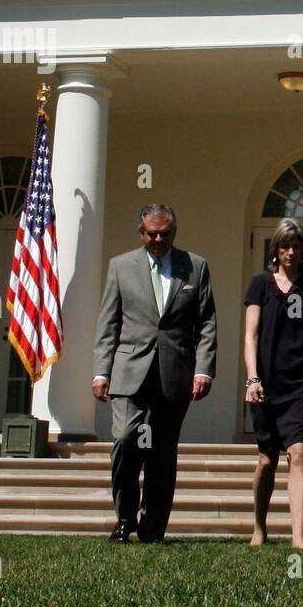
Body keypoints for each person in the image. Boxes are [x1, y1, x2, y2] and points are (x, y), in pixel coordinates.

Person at [93, 203, 217, 543]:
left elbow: (206, 323)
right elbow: (109, 323)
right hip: (129, 371)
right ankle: (124, 517)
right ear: (141, 233)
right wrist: (101, 371)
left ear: (174, 232)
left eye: (164, 233)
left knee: (162, 451)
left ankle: (152, 528)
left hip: (174, 372)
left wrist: (204, 370)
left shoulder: (195, 267)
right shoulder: (120, 267)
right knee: (126, 440)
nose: (158, 239)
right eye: (152, 234)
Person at [243, 217, 303, 549]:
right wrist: (252, 377)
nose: (290, 252)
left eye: (296, 246)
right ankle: (259, 527)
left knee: (299, 453)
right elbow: (250, 336)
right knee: (268, 457)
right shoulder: (260, 284)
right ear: (275, 250)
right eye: (284, 246)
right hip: (266, 382)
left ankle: (297, 536)